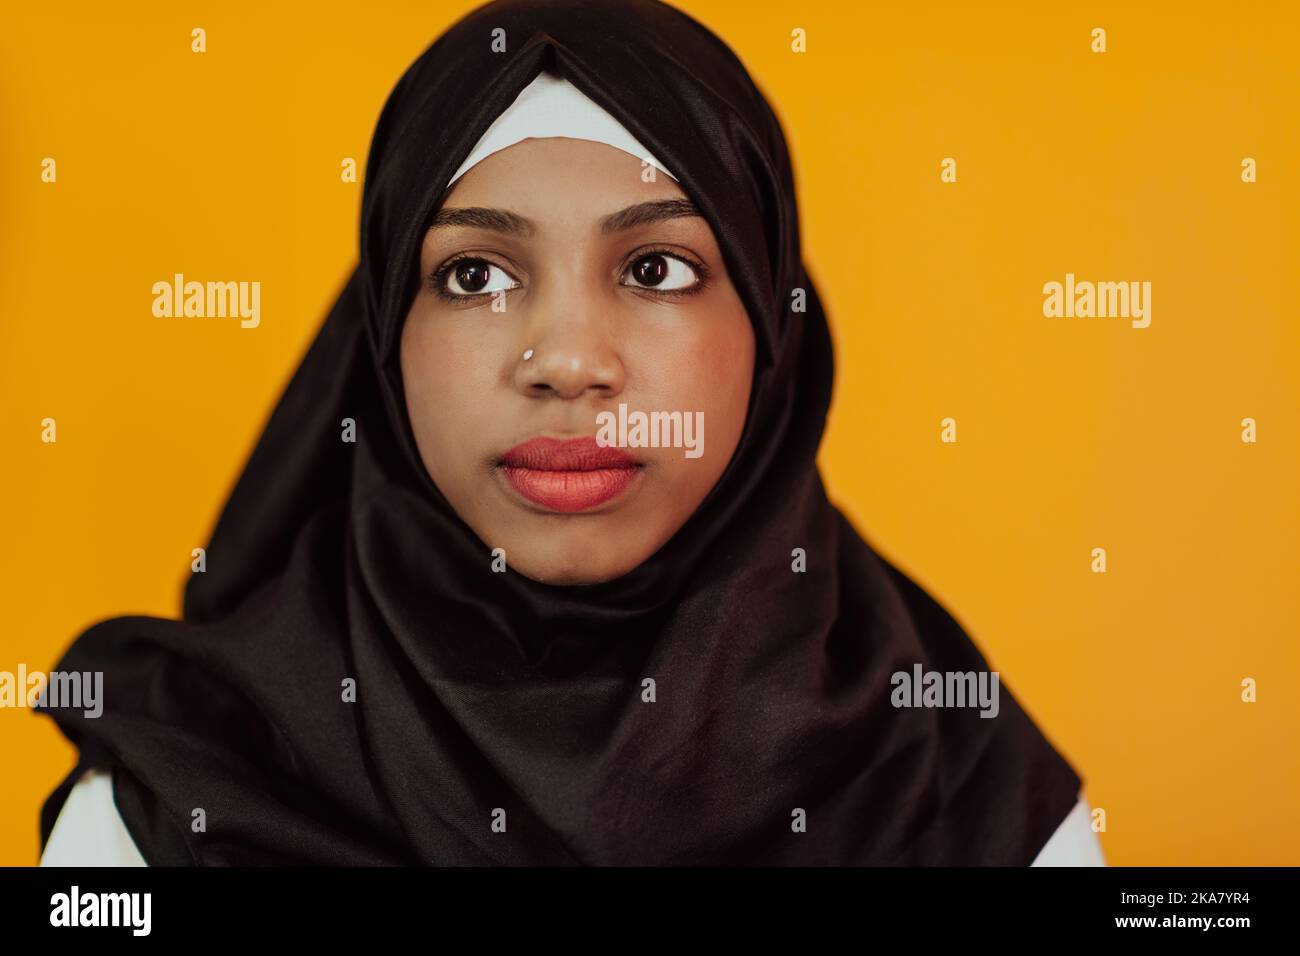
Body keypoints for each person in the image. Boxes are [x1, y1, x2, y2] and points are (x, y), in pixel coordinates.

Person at [37, 0, 1103, 866]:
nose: (564, 358)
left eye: (657, 268)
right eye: (473, 274)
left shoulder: (965, 791)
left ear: (773, 334)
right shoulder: (164, 811)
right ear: (382, 343)